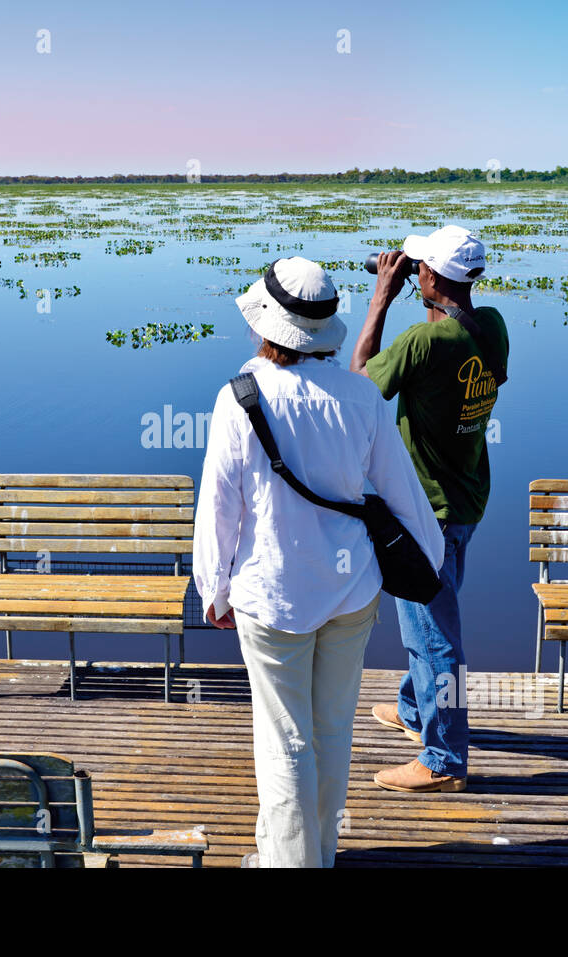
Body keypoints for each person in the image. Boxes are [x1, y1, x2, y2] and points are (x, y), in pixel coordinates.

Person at [194, 256, 443, 867]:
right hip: (352, 594)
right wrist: (426, 566)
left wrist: (214, 589)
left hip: (272, 597)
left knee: (284, 745)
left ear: (268, 326)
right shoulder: (361, 396)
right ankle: (318, 856)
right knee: (332, 735)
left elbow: (219, 507)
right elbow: (404, 496)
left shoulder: (239, 398)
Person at [350, 225, 509, 794]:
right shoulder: (492, 326)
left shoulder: (424, 342)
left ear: (434, 277)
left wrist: (378, 300)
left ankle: (444, 759)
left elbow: (357, 386)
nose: (411, 270)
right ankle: (416, 710)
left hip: (427, 513)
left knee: (433, 638)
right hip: (467, 499)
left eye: (418, 266)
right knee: (435, 617)